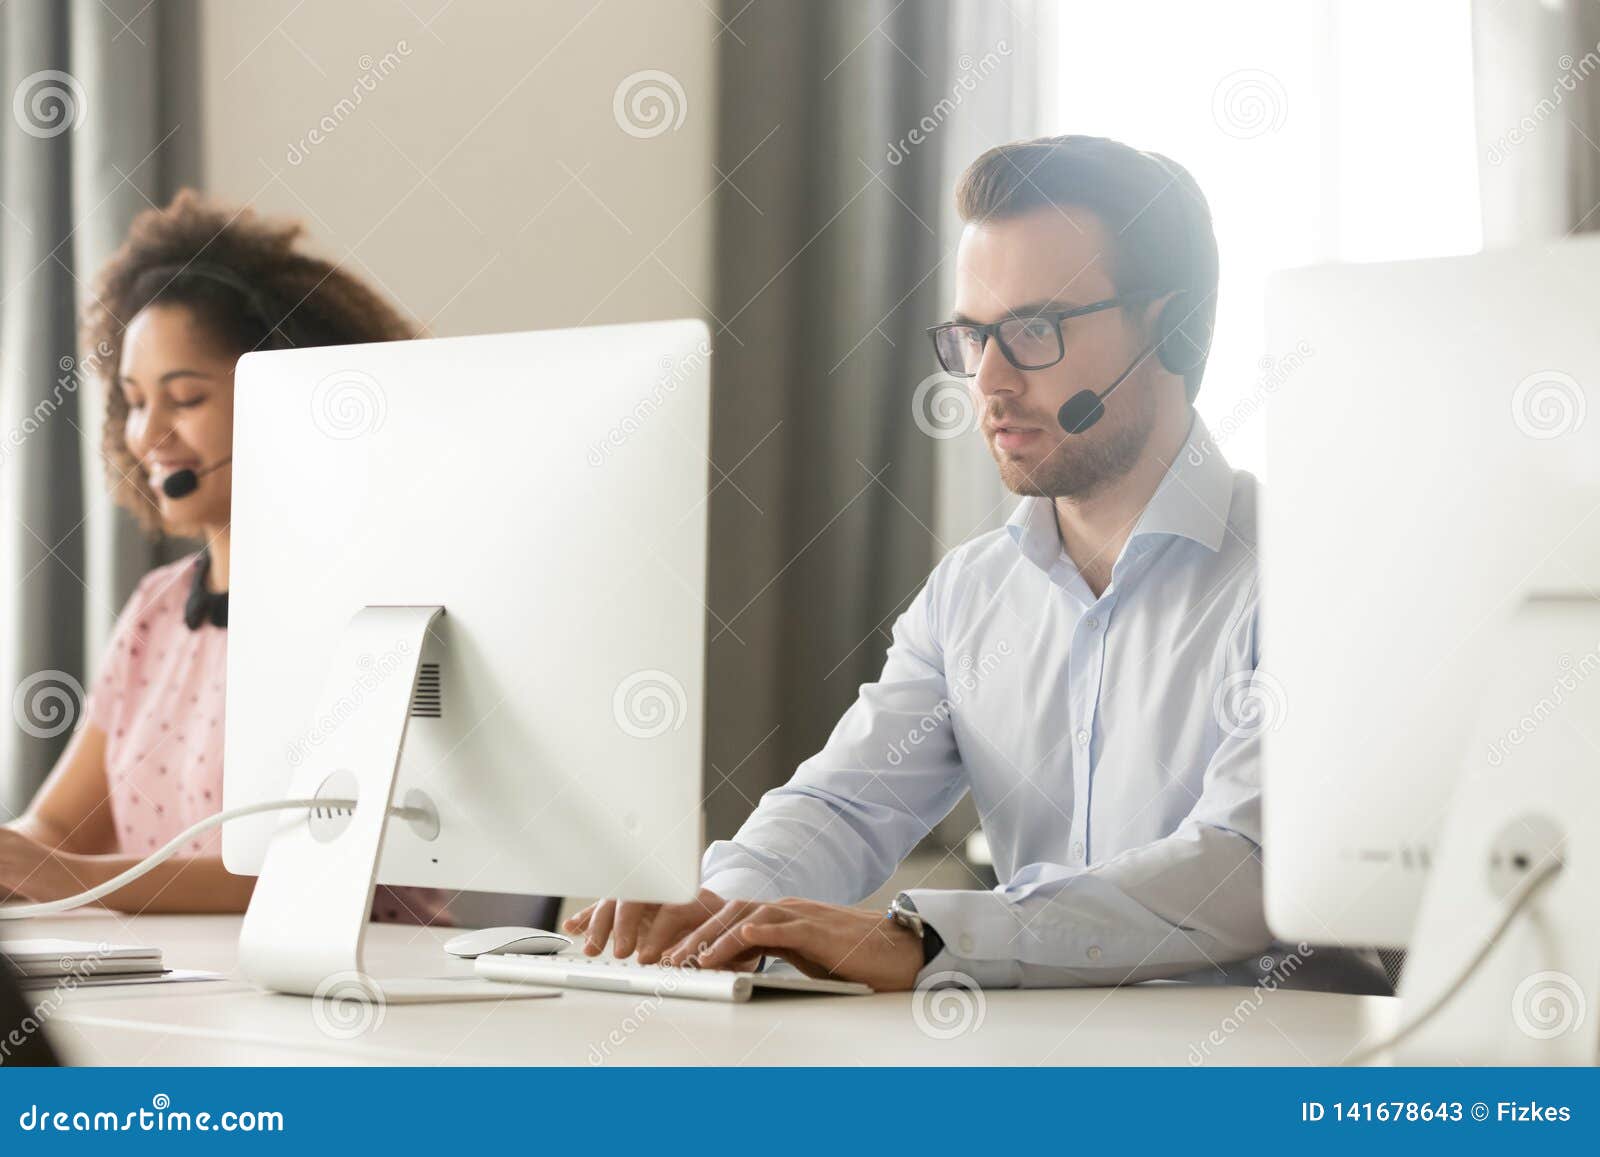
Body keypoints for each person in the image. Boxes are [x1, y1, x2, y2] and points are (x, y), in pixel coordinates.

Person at [568, 135, 1385, 993]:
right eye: (971, 335)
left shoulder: (1307, 572)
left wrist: (931, 938)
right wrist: (722, 905)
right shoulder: (970, 593)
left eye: (1035, 329)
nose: (989, 379)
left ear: (1172, 329)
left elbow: (1245, 865)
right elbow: (848, 804)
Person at [0, 191, 553, 929]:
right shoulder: (158, 608)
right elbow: (57, 829)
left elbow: (317, 862)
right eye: (133, 401)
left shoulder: (371, 614)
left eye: (184, 398)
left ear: (293, 396)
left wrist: (76, 879)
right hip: (183, 981)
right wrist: (19, 857)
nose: (148, 433)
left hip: (362, 978)